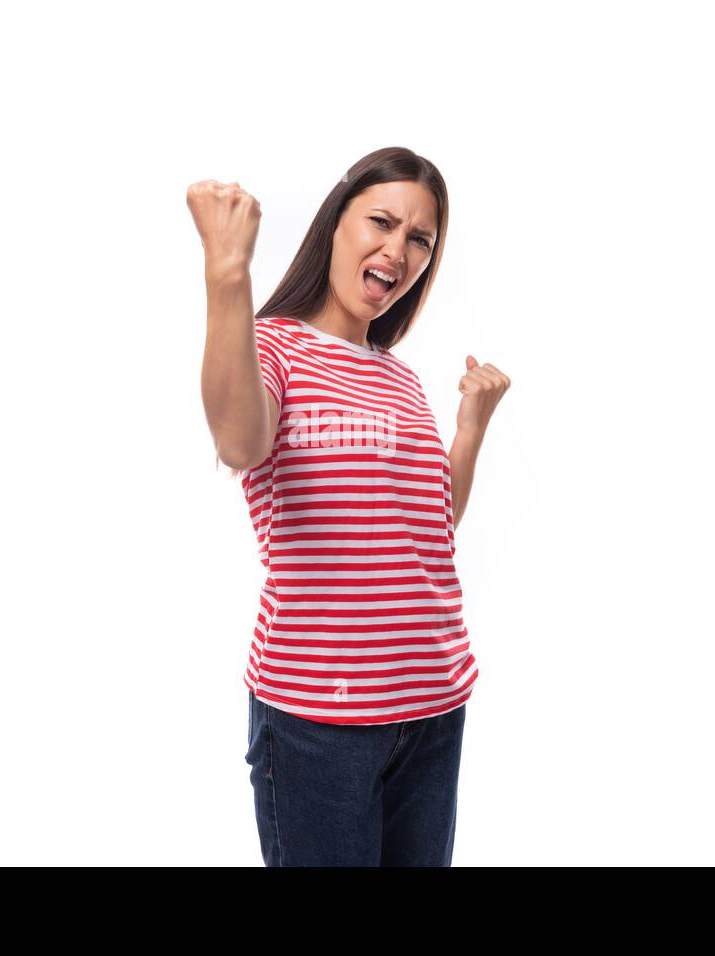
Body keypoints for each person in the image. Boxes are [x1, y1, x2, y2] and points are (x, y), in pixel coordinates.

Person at [188, 147, 510, 866]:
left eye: (420, 239)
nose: (398, 250)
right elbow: (239, 441)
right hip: (318, 720)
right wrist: (226, 275)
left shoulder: (400, 378)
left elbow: (429, 528)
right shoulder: (270, 349)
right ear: (336, 222)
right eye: (382, 222)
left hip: (434, 700)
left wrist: (469, 434)